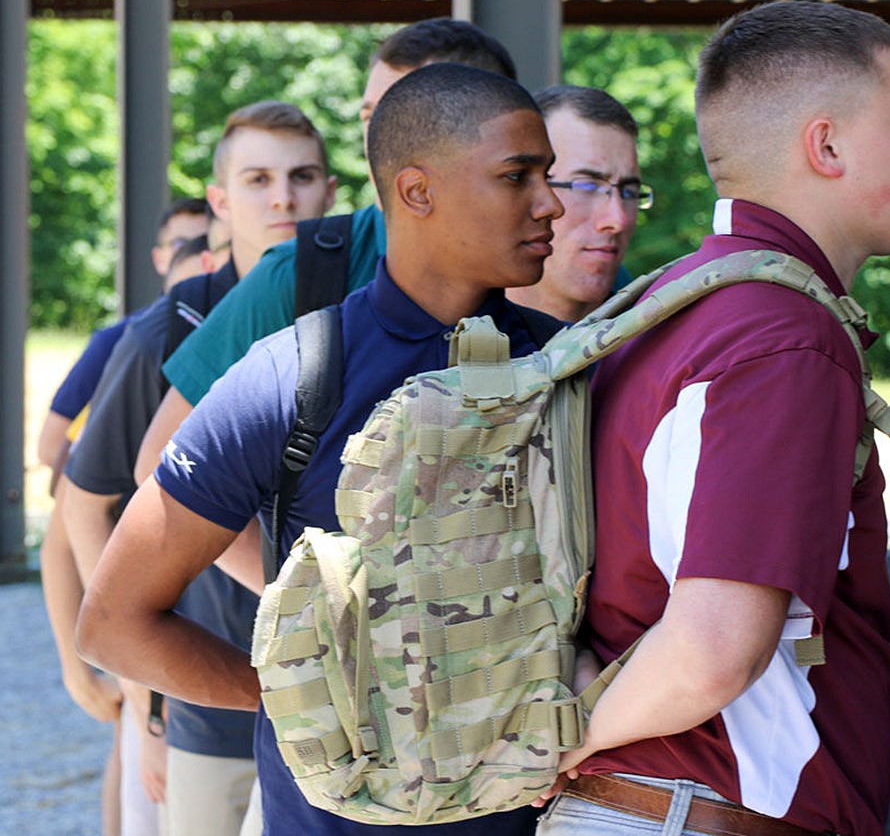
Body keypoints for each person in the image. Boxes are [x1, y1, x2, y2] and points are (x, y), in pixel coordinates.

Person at [77, 62, 564, 836]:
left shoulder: (571, 372)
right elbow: (112, 622)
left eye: (548, 175)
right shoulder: (294, 374)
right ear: (416, 191)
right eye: (518, 176)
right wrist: (305, 694)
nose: (551, 203)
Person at [533, 0, 890, 836]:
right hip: (697, 816)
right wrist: (567, 741)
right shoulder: (782, 337)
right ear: (826, 146)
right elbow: (713, 647)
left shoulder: (667, 307)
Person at [62, 100, 336, 836]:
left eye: (302, 176)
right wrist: (137, 686)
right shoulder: (170, 327)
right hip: (210, 695)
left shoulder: (354, 304)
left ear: (332, 190)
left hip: (339, 689)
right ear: (219, 201)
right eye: (258, 179)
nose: (283, 199)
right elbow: (83, 502)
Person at [131, 18, 521, 486]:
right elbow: (163, 462)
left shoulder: (548, 264)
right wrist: (285, 540)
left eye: (410, 114)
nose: (381, 139)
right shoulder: (303, 272)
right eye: (370, 117)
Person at [38, 196, 209, 836]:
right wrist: (78, 664)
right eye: (184, 245)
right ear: (162, 258)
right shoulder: (131, 340)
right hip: (145, 612)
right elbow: (62, 486)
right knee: (137, 764)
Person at [37, 198, 210, 487]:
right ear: (159, 258)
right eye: (181, 244)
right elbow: (51, 447)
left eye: (206, 243)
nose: (195, 254)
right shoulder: (120, 339)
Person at [507, 85, 651, 322]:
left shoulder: (654, 334)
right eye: (587, 187)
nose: (618, 220)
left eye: (628, 192)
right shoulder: (452, 331)